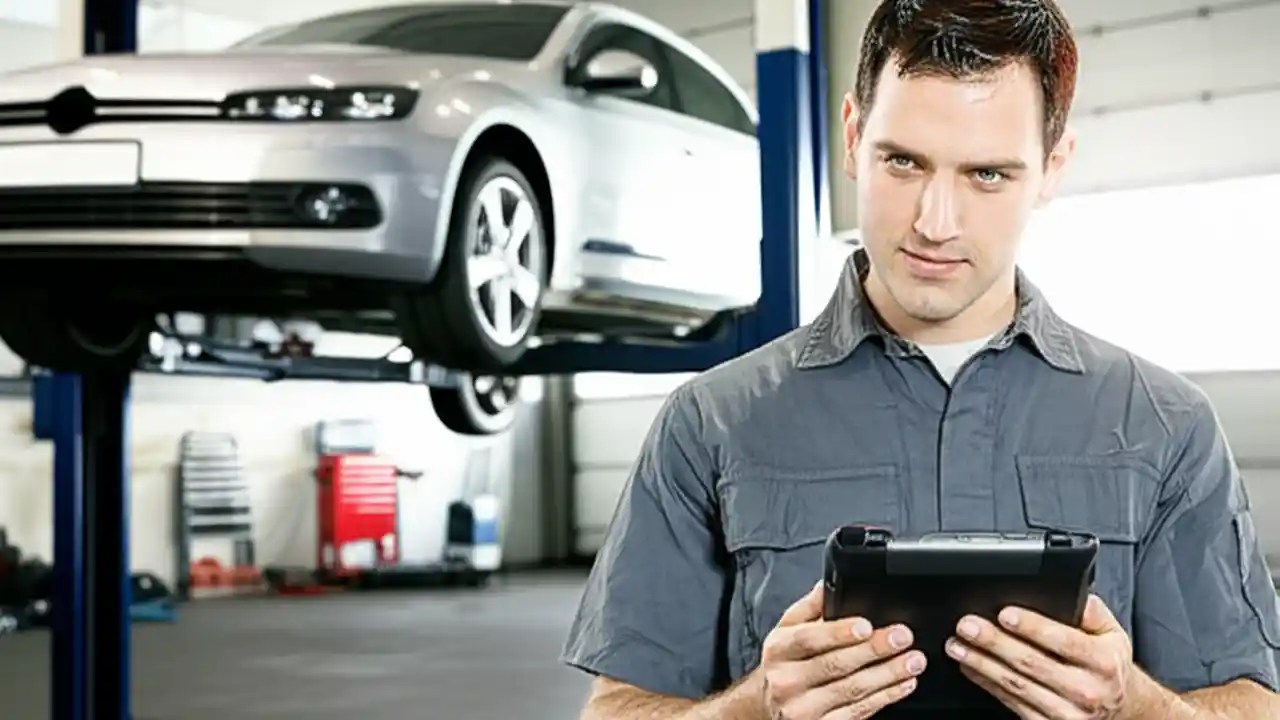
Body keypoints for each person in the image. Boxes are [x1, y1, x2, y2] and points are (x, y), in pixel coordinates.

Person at [561, 0, 1280, 718]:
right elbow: (615, 710)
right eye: (902, 161)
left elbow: (1253, 706)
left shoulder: (1166, 427)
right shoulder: (711, 425)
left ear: (1052, 168)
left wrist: (1129, 705)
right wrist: (756, 707)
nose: (936, 223)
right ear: (851, 136)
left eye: (988, 175)